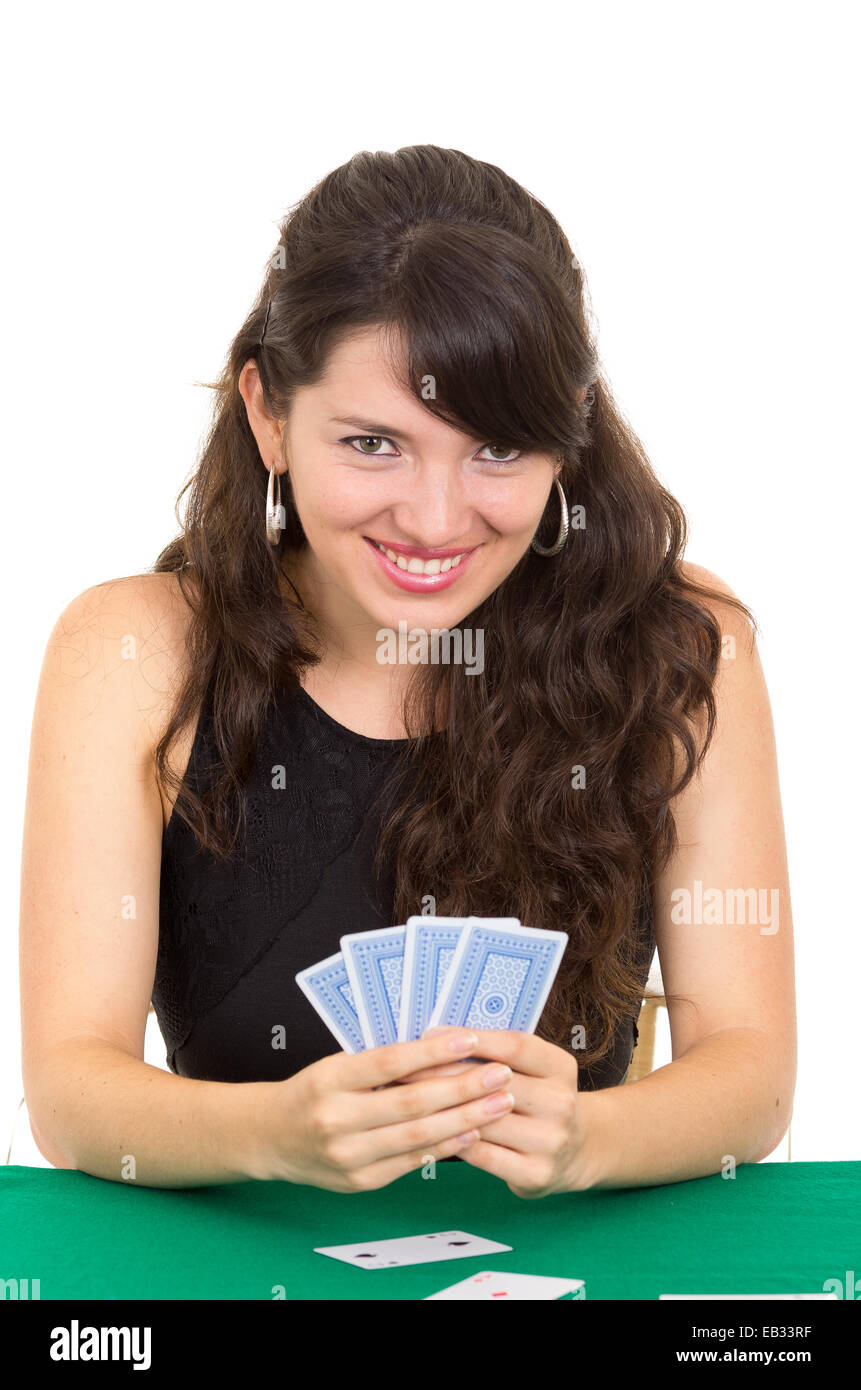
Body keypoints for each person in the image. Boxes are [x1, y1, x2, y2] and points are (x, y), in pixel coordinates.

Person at [19, 145, 796, 1199]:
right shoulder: (135, 654)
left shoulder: (680, 642)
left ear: (566, 431)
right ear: (268, 414)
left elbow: (750, 1071)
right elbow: (70, 1094)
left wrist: (589, 1143)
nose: (436, 521)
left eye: (497, 451)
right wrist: (275, 1132)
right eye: (375, 444)